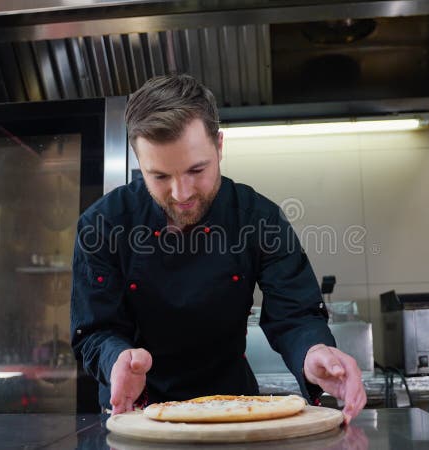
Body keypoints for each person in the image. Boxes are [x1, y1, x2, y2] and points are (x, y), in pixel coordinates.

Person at [70, 74, 365, 424]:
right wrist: (116, 358)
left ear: (219, 146)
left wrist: (314, 350)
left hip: (234, 410)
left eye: (197, 169)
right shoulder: (102, 225)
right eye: (160, 176)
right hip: (137, 414)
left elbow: (295, 314)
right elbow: (95, 331)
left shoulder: (259, 218)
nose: (181, 193)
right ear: (139, 161)